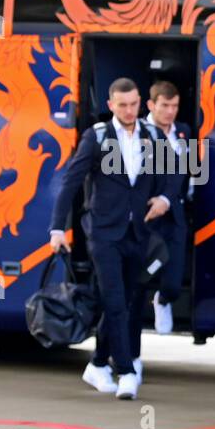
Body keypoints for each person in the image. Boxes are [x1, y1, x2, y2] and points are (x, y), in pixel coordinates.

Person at [49, 78, 172, 401]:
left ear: (140, 102)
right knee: (116, 301)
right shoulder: (97, 137)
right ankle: (127, 370)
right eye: (122, 105)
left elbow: (175, 174)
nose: (129, 110)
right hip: (103, 233)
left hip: (138, 233)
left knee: (126, 302)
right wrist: (57, 229)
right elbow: (70, 183)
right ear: (111, 105)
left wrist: (165, 200)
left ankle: (99, 362)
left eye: (133, 104)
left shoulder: (152, 135)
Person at [141, 80, 192, 335]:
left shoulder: (183, 131)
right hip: (147, 214)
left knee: (173, 279)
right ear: (152, 104)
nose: (170, 111)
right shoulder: (138, 131)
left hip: (175, 213)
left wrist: (172, 198)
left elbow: (186, 171)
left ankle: (163, 300)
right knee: (142, 270)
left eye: (175, 106)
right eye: (165, 105)